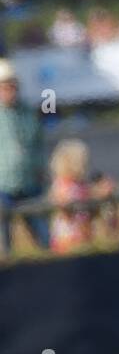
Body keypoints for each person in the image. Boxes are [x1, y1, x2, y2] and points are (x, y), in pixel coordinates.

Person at [0, 58, 49, 257]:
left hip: (30, 183)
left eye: (12, 85)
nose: (9, 90)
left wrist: (40, 170)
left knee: (44, 236)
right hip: (2, 186)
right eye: (5, 86)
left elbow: (38, 145)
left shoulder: (28, 113)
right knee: (5, 240)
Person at [48, 139, 117, 255]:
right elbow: (67, 206)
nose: (85, 165)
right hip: (68, 241)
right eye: (82, 161)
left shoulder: (80, 184)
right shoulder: (62, 185)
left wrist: (102, 193)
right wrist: (98, 194)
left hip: (84, 238)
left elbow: (88, 203)